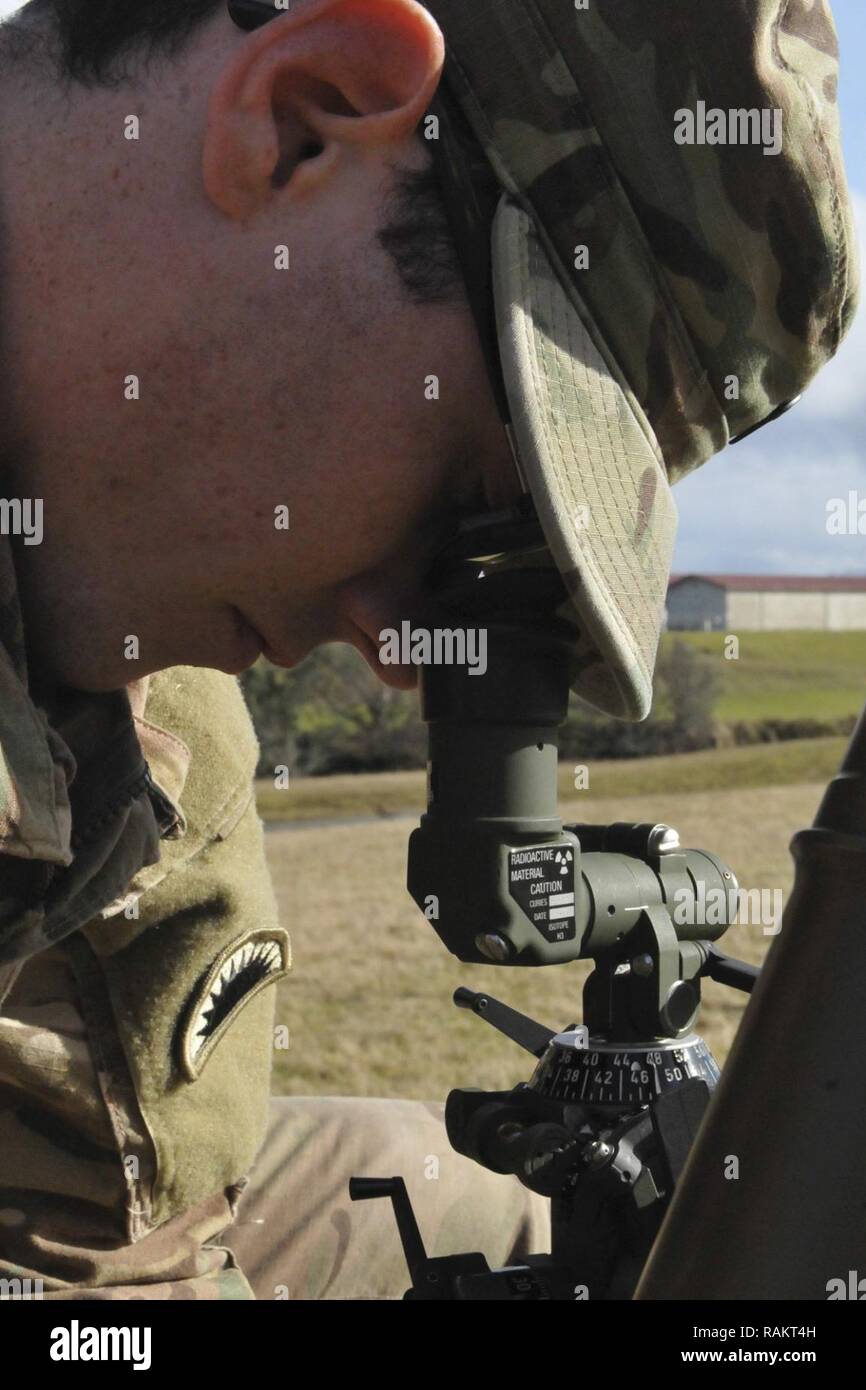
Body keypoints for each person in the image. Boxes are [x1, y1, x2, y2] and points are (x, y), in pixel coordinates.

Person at [0, 0, 858, 1299]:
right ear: (303, 118)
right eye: (463, 496)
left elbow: (104, 1240)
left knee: (453, 1190)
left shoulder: (157, 694)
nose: (403, 646)